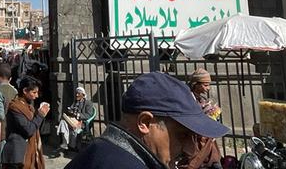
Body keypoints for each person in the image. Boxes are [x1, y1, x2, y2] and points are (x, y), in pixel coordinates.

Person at [66, 72, 230, 169]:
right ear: (144, 123)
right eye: (182, 135)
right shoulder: (122, 164)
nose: (189, 149)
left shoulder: (101, 149)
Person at [2, 76, 50, 169]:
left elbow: (34, 126)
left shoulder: (29, 107)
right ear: (25, 91)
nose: (36, 96)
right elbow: (28, 129)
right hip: (17, 156)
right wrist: (40, 115)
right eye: (34, 92)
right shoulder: (15, 107)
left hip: (29, 152)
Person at [180, 69, 223, 169]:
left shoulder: (201, 98)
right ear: (196, 84)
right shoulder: (187, 98)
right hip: (191, 137)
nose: (208, 88)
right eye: (205, 85)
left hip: (203, 136)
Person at [55, 87, 95, 154]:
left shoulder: (88, 103)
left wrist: (78, 115)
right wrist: (70, 111)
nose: (76, 95)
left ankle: (71, 146)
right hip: (72, 120)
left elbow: (89, 115)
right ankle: (65, 143)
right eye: (76, 93)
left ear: (83, 95)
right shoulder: (75, 102)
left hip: (81, 122)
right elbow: (71, 110)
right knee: (63, 122)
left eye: (79, 94)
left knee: (73, 128)